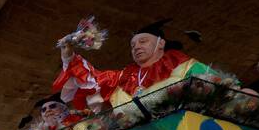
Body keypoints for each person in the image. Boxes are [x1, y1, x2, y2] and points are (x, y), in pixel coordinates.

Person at [54, 19, 210, 112]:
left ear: (161, 43)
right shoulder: (124, 77)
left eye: (143, 41)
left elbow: (222, 86)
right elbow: (92, 78)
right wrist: (67, 50)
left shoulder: (183, 65)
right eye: (133, 45)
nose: (136, 47)